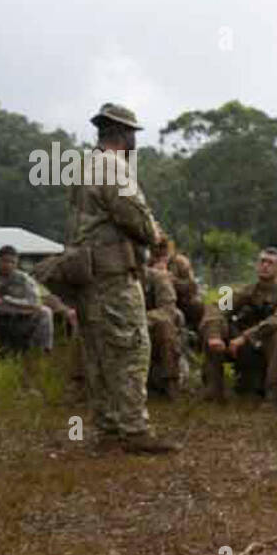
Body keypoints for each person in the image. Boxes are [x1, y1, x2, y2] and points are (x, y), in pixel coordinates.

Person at [69, 103, 178, 453]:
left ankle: (109, 428)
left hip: (89, 273)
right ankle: (133, 430)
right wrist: (158, 238)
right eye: (133, 134)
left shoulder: (84, 167)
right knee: (131, 347)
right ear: (124, 134)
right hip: (114, 275)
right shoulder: (112, 167)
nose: (135, 141)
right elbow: (135, 217)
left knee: (99, 351)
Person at [200, 248, 277, 407]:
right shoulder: (248, 289)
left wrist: (246, 336)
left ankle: (274, 397)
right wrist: (214, 335)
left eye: (270, 263)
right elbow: (216, 307)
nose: (265, 266)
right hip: (246, 346)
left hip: (270, 347)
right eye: (262, 261)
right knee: (216, 325)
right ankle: (213, 391)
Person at [143, 258, 184, 399]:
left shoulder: (158, 277)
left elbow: (168, 310)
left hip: (150, 329)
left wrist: (140, 320)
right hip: (118, 327)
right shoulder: (113, 281)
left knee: (165, 326)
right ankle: (79, 384)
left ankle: (170, 382)